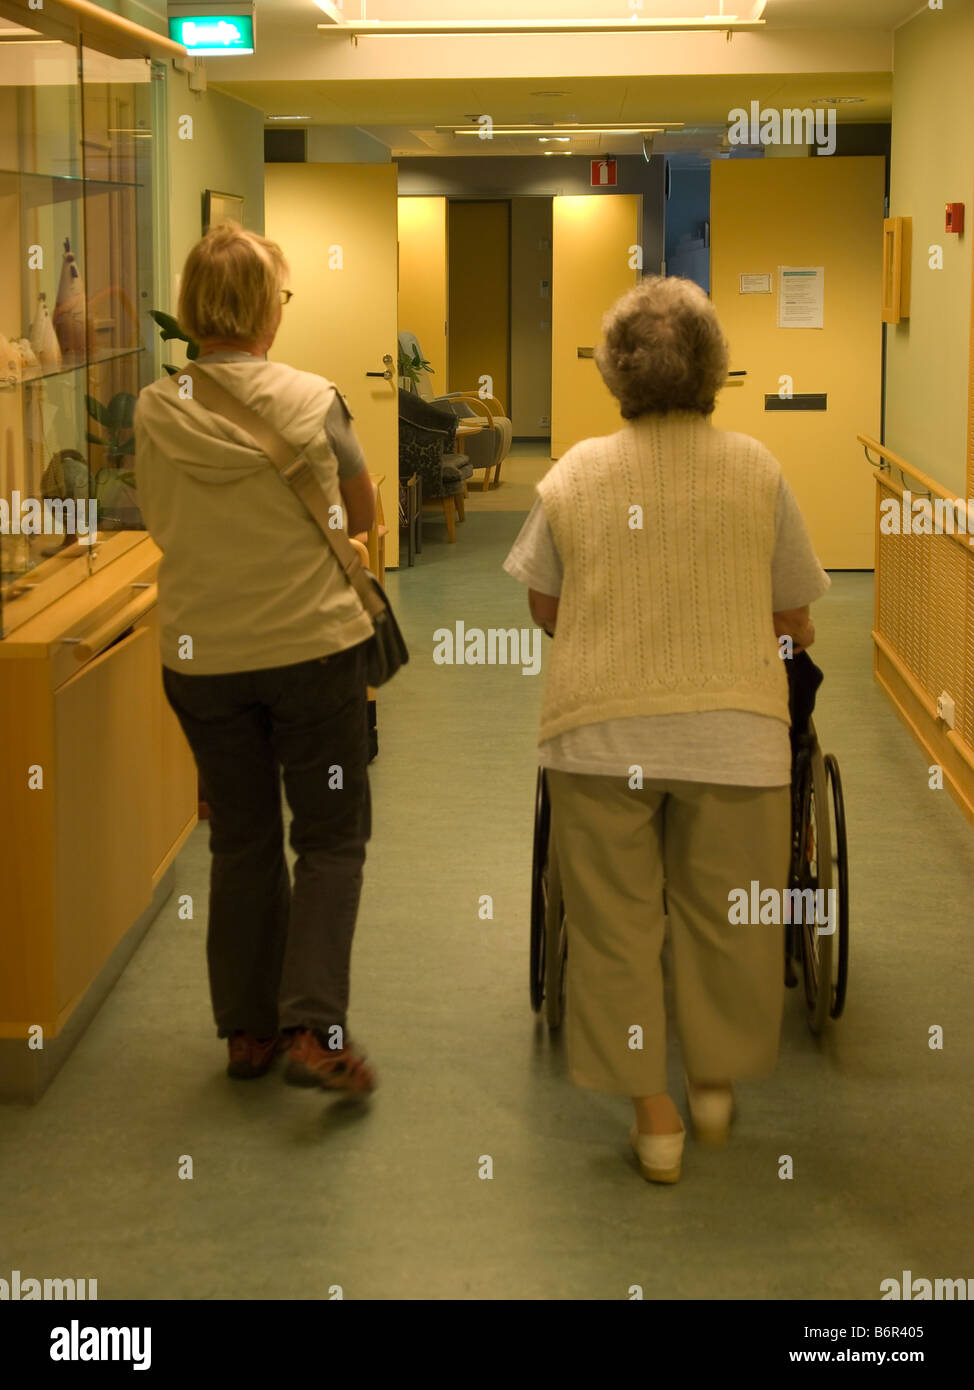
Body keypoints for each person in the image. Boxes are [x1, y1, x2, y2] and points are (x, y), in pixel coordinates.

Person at [504, 275, 829, 1183]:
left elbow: (543, 601)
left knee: (614, 928)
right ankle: (715, 1086)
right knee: (731, 918)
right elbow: (796, 619)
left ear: (616, 374)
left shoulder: (574, 472)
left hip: (600, 739)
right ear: (716, 370)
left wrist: (617, 630)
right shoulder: (757, 469)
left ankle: (655, 1120)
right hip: (738, 739)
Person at [134, 222, 378, 1093]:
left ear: (198, 311)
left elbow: (158, 518)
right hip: (314, 656)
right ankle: (313, 1028)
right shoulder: (315, 400)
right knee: (331, 838)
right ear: (267, 309)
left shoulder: (155, 408)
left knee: (240, 842)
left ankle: (246, 1033)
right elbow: (360, 508)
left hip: (202, 664)